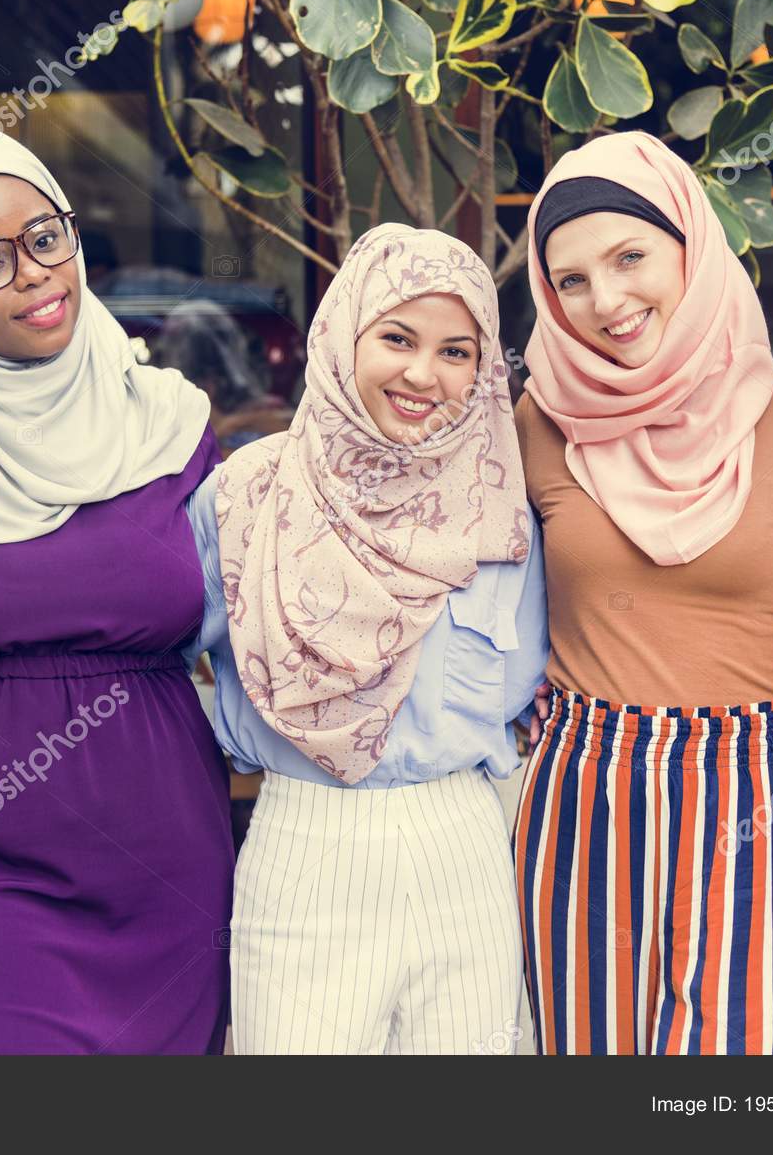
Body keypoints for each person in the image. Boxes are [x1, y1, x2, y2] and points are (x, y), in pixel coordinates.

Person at [0, 128, 233, 1054]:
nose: (33, 273)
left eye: (46, 236)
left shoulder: (173, 424)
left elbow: (270, 614)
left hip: (166, 876)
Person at [513, 131, 773, 1054]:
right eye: (570, 280)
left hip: (760, 786)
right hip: (586, 782)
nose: (606, 301)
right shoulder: (536, 423)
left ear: (691, 248)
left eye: (630, 257)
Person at [185, 224, 543, 1053]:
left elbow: (532, 689)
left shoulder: (501, 508)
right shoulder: (247, 495)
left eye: (458, 352)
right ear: (345, 333)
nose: (424, 373)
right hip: (305, 841)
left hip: (466, 843)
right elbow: (163, 676)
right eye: (397, 337)